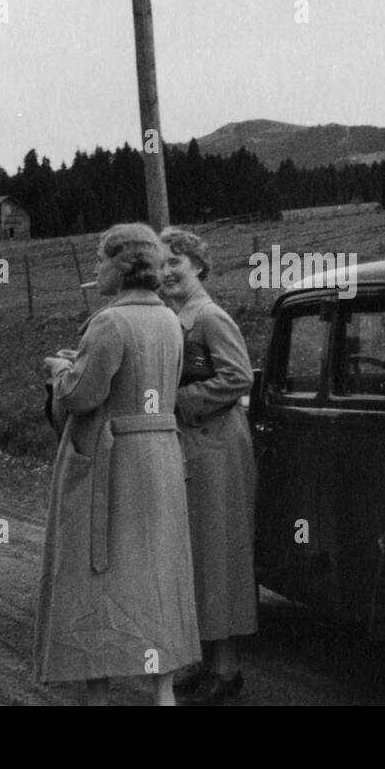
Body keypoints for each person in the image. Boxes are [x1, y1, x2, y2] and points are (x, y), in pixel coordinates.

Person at [33, 223, 200, 706]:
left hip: (115, 463)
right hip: (161, 459)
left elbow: (83, 396)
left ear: (122, 265)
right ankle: (163, 691)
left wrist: (60, 371)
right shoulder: (169, 318)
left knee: (97, 579)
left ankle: (98, 691)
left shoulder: (109, 322)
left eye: (100, 259)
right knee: (155, 574)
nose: (95, 268)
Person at [159, 227, 258, 704]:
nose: (167, 272)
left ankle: (227, 668)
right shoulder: (175, 317)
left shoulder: (210, 317)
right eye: (159, 264)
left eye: (175, 262)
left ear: (197, 265)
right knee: (197, 554)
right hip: (191, 444)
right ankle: (205, 662)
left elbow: (239, 377)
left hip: (218, 445)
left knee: (221, 553)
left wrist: (178, 401)